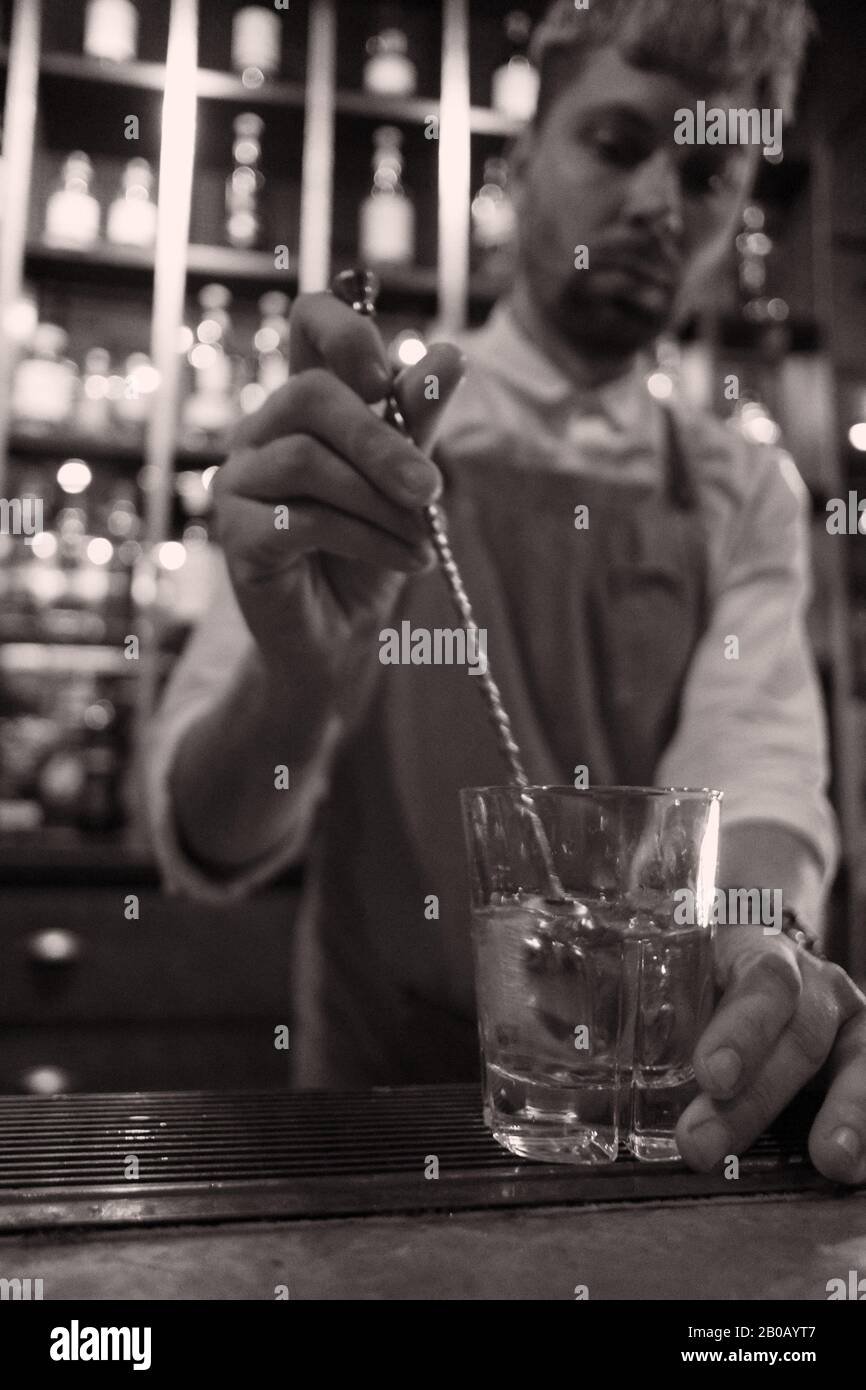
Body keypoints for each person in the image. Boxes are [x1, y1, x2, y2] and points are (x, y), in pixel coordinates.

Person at [149, 0, 866, 1183]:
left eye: (704, 171)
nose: (652, 205)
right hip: (367, 1145)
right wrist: (297, 691)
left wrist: (759, 946)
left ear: (740, 204)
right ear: (523, 161)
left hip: (650, 1139)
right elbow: (208, 835)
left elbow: (758, 770)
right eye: (616, 143)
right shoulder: (358, 441)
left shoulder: (744, 489)